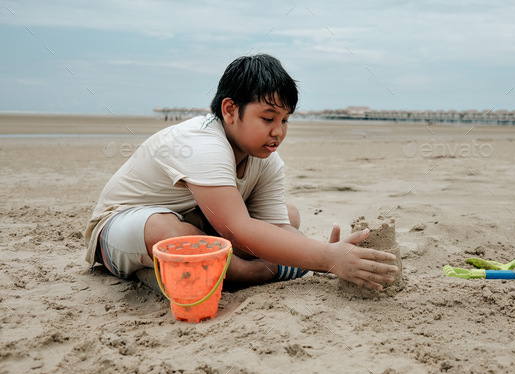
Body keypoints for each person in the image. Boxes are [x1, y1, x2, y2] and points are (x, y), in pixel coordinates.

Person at [84, 54, 397, 290]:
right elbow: (236, 230)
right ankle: (251, 273)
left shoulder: (267, 159)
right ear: (230, 110)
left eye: (285, 120)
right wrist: (325, 259)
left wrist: (329, 254)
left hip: (198, 219)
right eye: (268, 118)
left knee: (289, 216)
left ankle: (181, 271)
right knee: (174, 235)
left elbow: (276, 226)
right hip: (121, 227)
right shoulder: (201, 143)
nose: (279, 132)